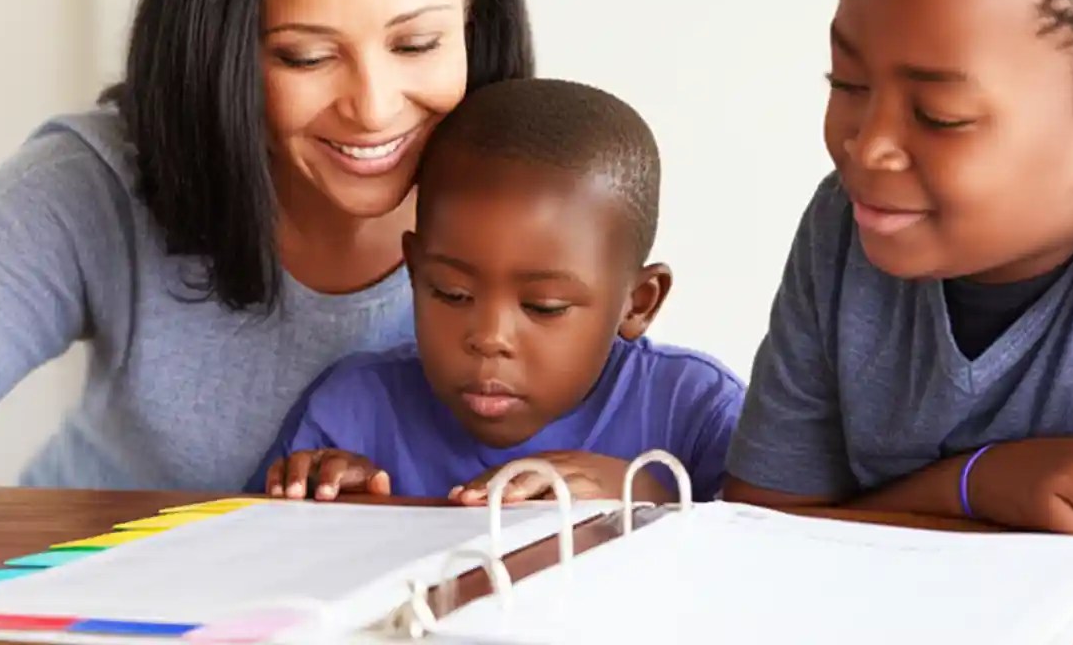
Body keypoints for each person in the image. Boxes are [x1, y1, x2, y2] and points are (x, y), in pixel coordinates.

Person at [0, 0, 533, 621]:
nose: (374, 106)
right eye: (306, 56)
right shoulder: (96, 185)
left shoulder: (542, 195)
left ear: (475, 23)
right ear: (221, 48)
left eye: (417, 44)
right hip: (95, 602)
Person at [723, 0, 1073, 535]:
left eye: (940, 117)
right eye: (847, 84)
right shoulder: (842, 230)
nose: (868, 146)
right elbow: (760, 530)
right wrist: (980, 483)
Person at [252, 79, 746, 504]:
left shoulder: (696, 414)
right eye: (451, 293)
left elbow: (773, 567)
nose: (488, 338)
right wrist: (316, 508)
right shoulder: (353, 410)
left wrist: (651, 500)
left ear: (638, 303)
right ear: (415, 269)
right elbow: (243, 562)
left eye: (543, 306)